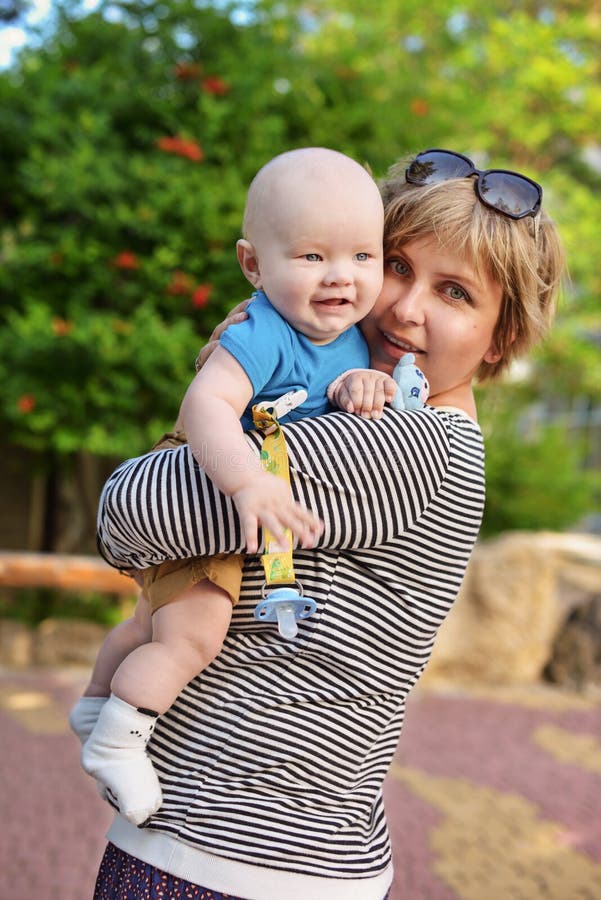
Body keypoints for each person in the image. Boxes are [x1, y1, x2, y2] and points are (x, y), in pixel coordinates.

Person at [90, 148, 564, 899]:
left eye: (454, 292)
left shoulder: (405, 444)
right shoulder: (362, 407)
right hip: (286, 850)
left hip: (230, 848)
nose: (405, 308)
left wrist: (220, 392)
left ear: (501, 336)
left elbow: (129, 513)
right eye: (398, 267)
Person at [70, 147, 385, 826]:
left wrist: (365, 382)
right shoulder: (261, 329)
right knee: (194, 637)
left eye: (363, 256)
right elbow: (205, 407)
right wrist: (245, 483)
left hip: (236, 491)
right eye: (311, 257)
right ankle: (117, 739)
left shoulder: (354, 338)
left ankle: (98, 696)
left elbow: (333, 397)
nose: (341, 277)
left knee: (150, 621)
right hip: (208, 480)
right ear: (253, 265)